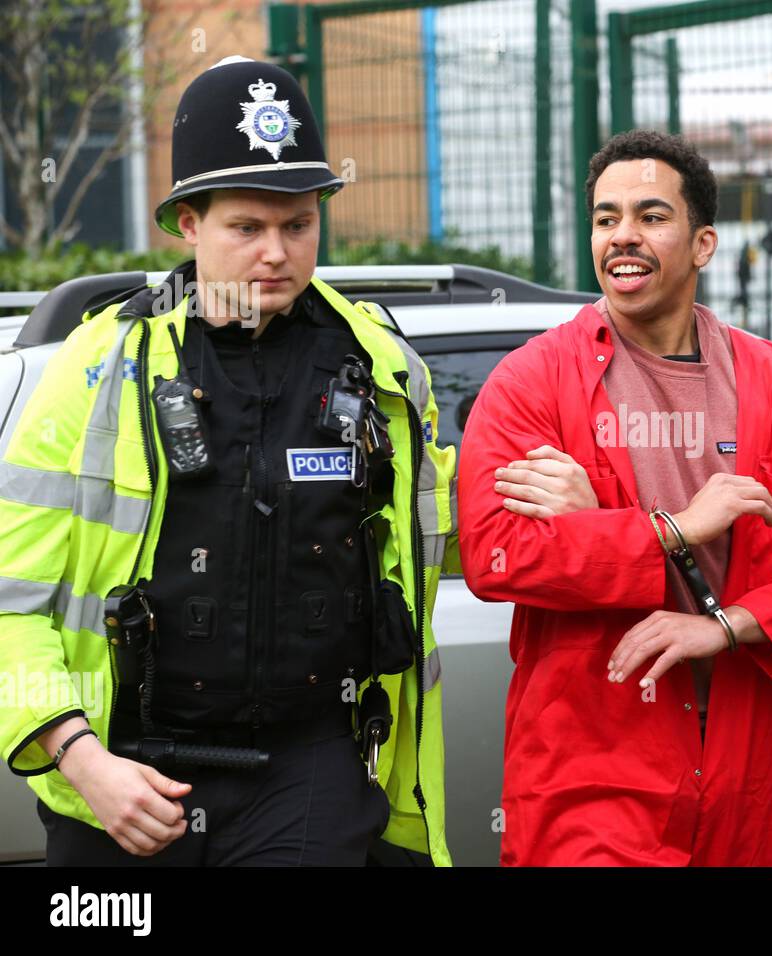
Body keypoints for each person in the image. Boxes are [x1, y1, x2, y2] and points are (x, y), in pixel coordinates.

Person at [0, 56, 457, 865]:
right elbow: (10, 601)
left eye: (298, 224)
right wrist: (80, 757)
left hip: (310, 773)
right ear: (187, 223)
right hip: (124, 779)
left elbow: (436, 537)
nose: (275, 254)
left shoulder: (383, 368)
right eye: (247, 228)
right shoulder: (97, 370)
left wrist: (542, 497)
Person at [457, 129, 772, 866]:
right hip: (591, 770)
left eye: (652, 216)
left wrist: (725, 626)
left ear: (702, 244)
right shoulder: (532, 382)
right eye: (606, 218)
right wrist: (672, 529)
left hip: (749, 773)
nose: (623, 236)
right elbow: (496, 553)